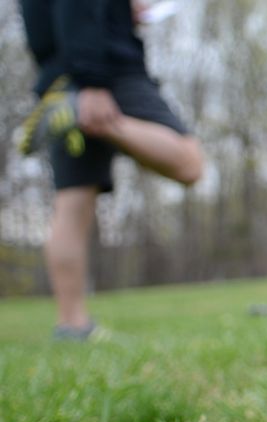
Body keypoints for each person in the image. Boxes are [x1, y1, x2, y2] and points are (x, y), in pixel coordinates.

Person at [18, 0, 205, 340]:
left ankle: (72, 326)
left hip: (58, 77)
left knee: (73, 201)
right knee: (189, 162)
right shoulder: (98, 74)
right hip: (104, 69)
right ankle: (91, 119)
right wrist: (92, 80)